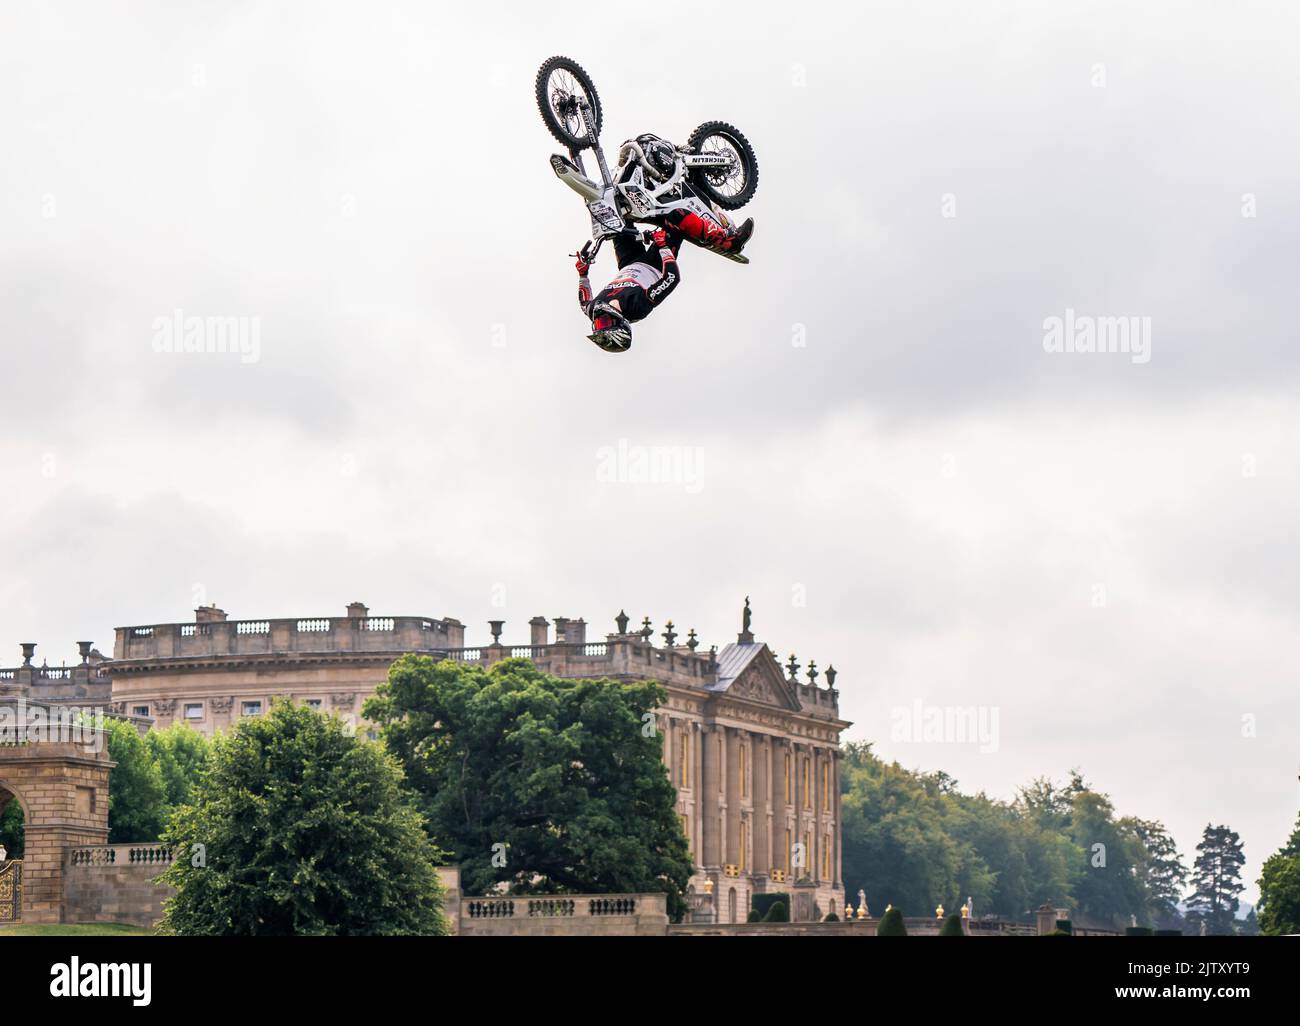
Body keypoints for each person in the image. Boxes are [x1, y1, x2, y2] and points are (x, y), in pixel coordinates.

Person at [577, 226, 684, 352]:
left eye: (597, 325)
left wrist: (583, 273)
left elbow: (584, 301)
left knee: (614, 224)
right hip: (655, 264)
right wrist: (663, 247)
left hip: (627, 263)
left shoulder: (593, 310)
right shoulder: (637, 308)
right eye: (604, 323)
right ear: (619, 323)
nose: (599, 318)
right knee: (675, 221)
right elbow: (671, 278)